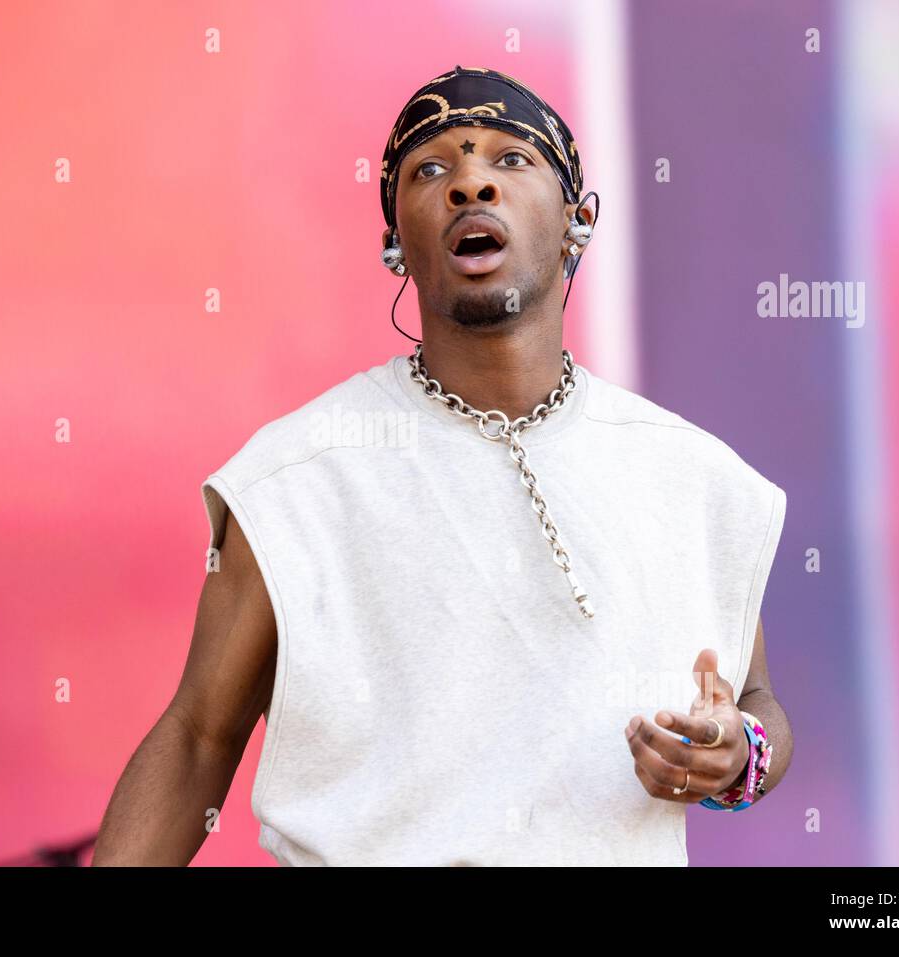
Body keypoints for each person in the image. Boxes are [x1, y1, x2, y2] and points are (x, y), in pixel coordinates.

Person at [93, 65, 791, 866]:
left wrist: (737, 755)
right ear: (395, 244)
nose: (469, 185)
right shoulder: (296, 481)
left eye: (510, 160)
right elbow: (196, 737)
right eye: (431, 171)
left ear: (578, 221)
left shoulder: (688, 476)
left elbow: (753, 698)